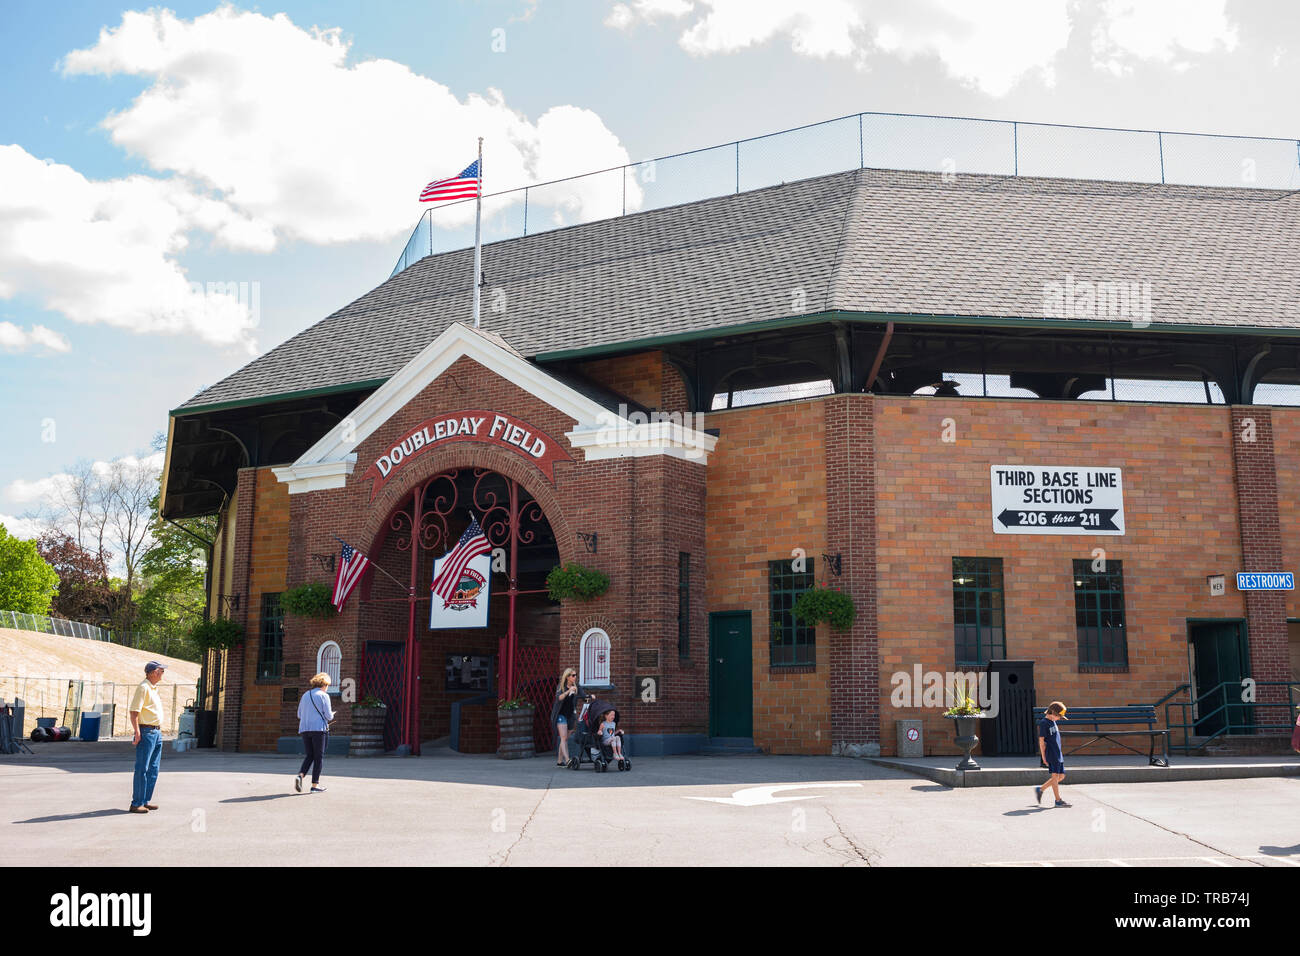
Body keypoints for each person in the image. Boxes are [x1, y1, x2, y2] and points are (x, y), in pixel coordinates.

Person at [128, 661, 167, 814]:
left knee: (153, 769)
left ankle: (145, 800)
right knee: (142, 768)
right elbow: (134, 712)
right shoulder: (143, 688)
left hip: (156, 733)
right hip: (147, 732)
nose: (162, 673)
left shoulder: (154, 689)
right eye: (160, 671)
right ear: (151, 672)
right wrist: (137, 732)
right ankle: (136, 803)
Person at [296, 673, 335, 793]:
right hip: (318, 729)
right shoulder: (324, 695)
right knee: (318, 757)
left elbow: (299, 714)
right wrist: (332, 714)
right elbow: (328, 716)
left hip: (305, 729)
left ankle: (300, 775)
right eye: (327, 685)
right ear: (324, 684)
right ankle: (315, 785)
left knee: (310, 755)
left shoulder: (305, 695)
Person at [1034, 701, 1070, 807]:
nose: (1059, 719)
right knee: (1055, 777)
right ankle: (1058, 800)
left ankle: (1040, 789)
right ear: (1053, 713)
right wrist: (1043, 757)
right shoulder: (1044, 723)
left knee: (1061, 776)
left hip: (1058, 753)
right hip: (1051, 753)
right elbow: (1041, 741)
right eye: (1059, 716)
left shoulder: (1053, 721)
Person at [552, 667, 580, 766]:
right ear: (567, 677)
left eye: (575, 675)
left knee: (565, 738)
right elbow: (559, 698)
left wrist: (589, 696)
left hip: (570, 716)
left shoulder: (577, 686)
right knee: (563, 738)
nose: (575, 677)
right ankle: (568, 760)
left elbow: (583, 695)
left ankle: (559, 761)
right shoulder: (561, 686)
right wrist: (568, 691)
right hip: (561, 714)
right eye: (573, 675)